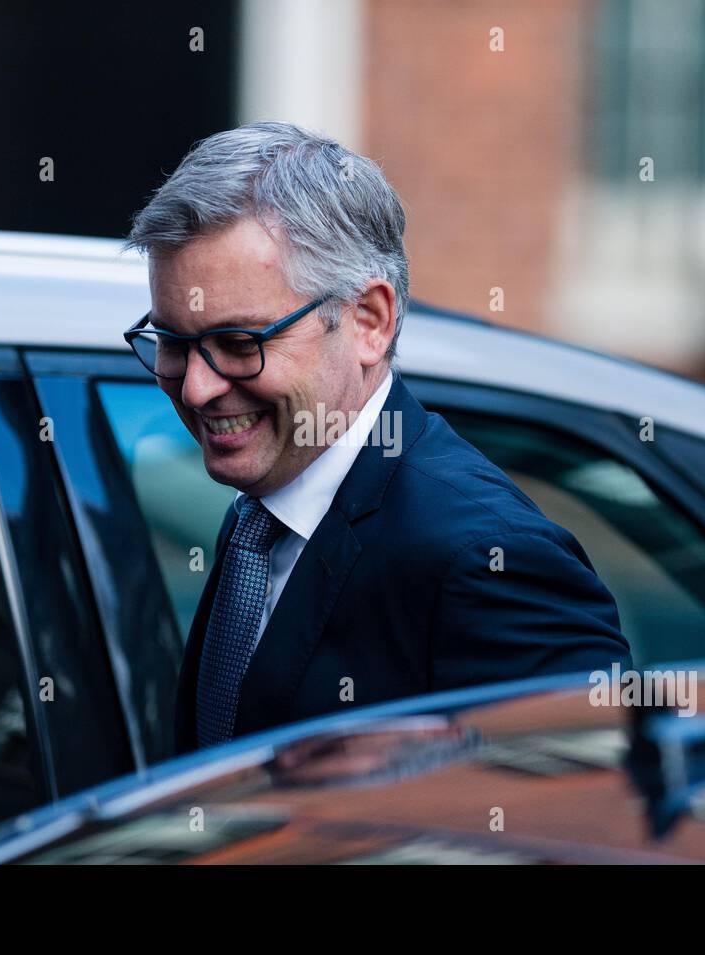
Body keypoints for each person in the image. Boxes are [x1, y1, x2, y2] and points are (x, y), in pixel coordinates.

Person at [123, 122, 629, 755]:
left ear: (369, 321)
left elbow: (585, 822)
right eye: (174, 343)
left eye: (239, 344)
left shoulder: (487, 558)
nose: (196, 388)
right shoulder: (265, 510)